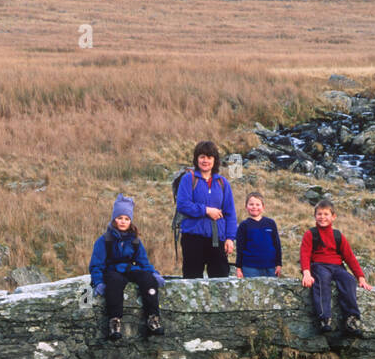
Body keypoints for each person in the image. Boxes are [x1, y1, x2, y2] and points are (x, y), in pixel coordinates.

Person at [89, 194, 165, 340]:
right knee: (114, 283)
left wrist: (154, 274)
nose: (123, 222)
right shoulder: (104, 240)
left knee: (148, 280)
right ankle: (114, 321)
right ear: (114, 219)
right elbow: (96, 265)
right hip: (112, 271)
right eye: (119, 218)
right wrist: (98, 282)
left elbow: (143, 262)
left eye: (127, 219)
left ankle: (153, 318)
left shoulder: (135, 240)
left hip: (131, 269)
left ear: (130, 221)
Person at [299, 199, 370, 336]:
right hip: (318, 266)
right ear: (315, 216)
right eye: (319, 214)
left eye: (326, 214)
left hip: (337, 267)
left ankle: (351, 319)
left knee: (348, 280)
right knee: (322, 278)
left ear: (333, 216)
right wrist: (306, 273)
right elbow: (305, 254)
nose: (322, 217)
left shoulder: (338, 235)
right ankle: (324, 318)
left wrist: (361, 278)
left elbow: (349, 257)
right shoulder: (310, 234)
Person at [174, 140, 237, 278]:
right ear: (196, 159)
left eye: (209, 157)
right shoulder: (188, 179)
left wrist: (230, 238)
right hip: (192, 238)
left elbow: (230, 212)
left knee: (221, 281)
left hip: (217, 239)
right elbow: (183, 204)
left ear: (215, 160)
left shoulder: (222, 182)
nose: (205, 160)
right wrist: (207, 210)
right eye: (202, 157)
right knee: (192, 280)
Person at [234, 192, 282, 278]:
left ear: (263, 207)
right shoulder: (243, 225)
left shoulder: (270, 223)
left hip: (270, 267)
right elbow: (239, 248)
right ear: (246, 207)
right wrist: (238, 268)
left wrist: (279, 264)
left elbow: (277, 245)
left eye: (257, 204)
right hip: (250, 268)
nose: (254, 207)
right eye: (251, 204)